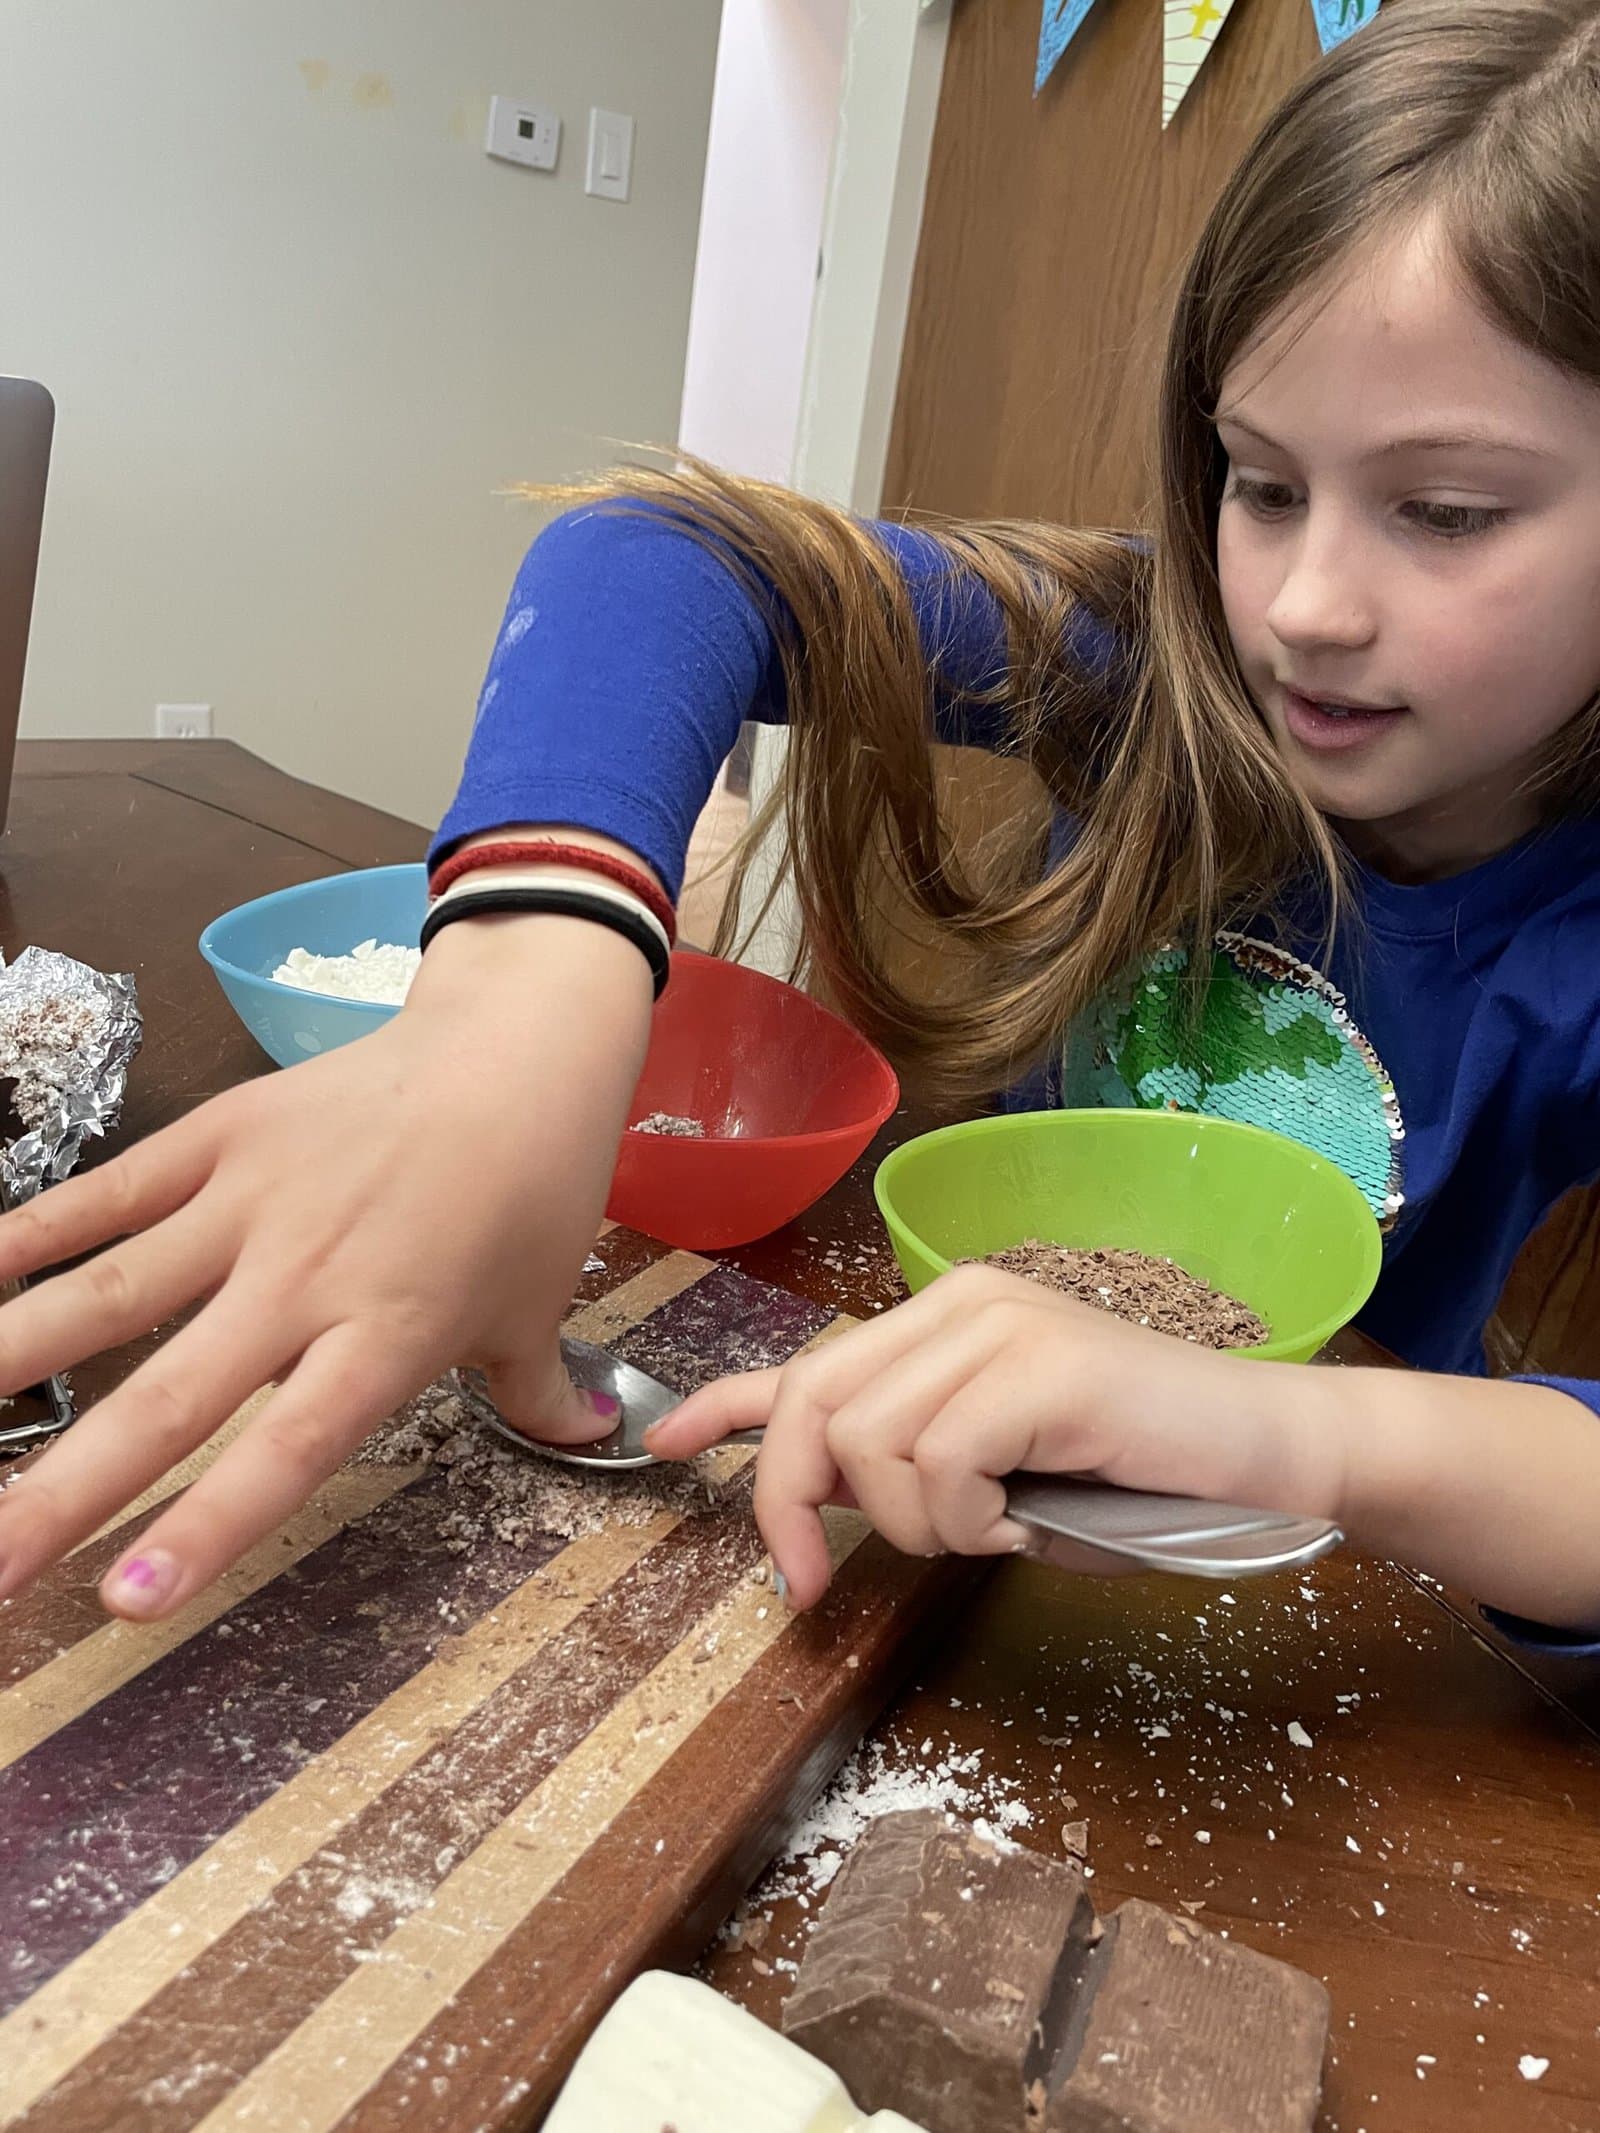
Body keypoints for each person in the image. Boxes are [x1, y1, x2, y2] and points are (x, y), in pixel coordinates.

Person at [1, 0, 1598, 1643]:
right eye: (1261, 484)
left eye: (1446, 511)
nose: (1307, 604)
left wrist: (1289, 1435)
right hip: (906, 1464)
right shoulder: (1151, 667)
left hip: (1278, 1593)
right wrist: (514, 1013)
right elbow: (654, 559)